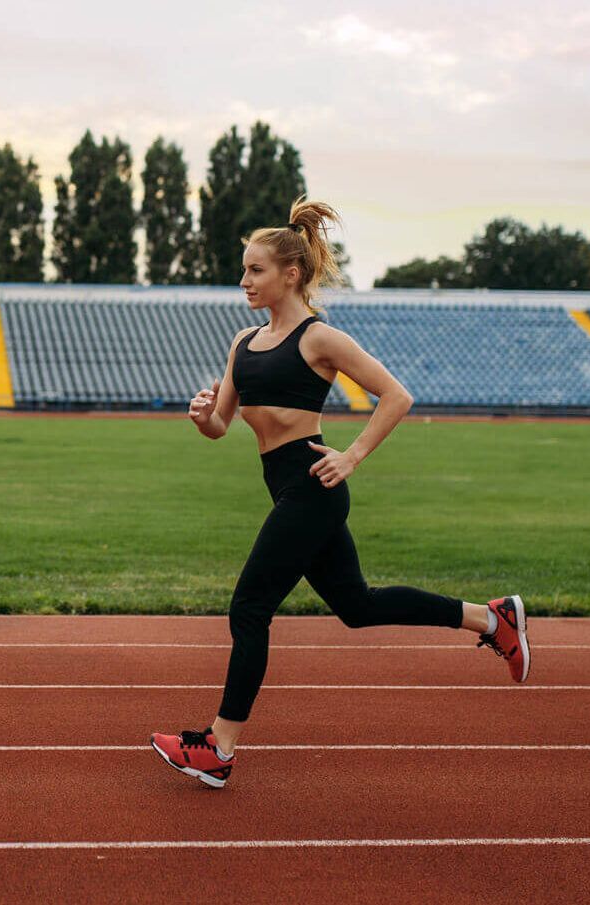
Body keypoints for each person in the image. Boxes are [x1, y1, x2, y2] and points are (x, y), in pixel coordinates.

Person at [150, 196, 531, 789]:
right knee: (357, 607)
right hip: (286, 491)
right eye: (245, 269)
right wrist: (201, 415)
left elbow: (397, 396)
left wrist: (352, 455)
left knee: (250, 608)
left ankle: (220, 746)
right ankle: (491, 619)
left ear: (290, 274)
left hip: (313, 489)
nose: (244, 280)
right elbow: (221, 425)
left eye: (256, 270)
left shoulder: (318, 338)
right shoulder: (242, 345)